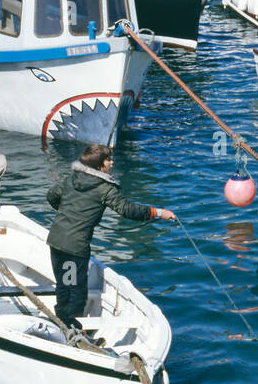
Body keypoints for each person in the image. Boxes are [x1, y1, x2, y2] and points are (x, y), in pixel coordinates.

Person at [46, 144, 176, 339]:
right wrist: (158, 212)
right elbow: (128, 210)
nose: (112, 162)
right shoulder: (104, 188)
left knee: (65, 284)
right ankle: (72, 331)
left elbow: (52, 196)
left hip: (56, 239)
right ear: (99, 166)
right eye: (108, 159)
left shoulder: (71, 178)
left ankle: (63, 323)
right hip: (73, 247)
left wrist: (68, 215)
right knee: (75, 291)